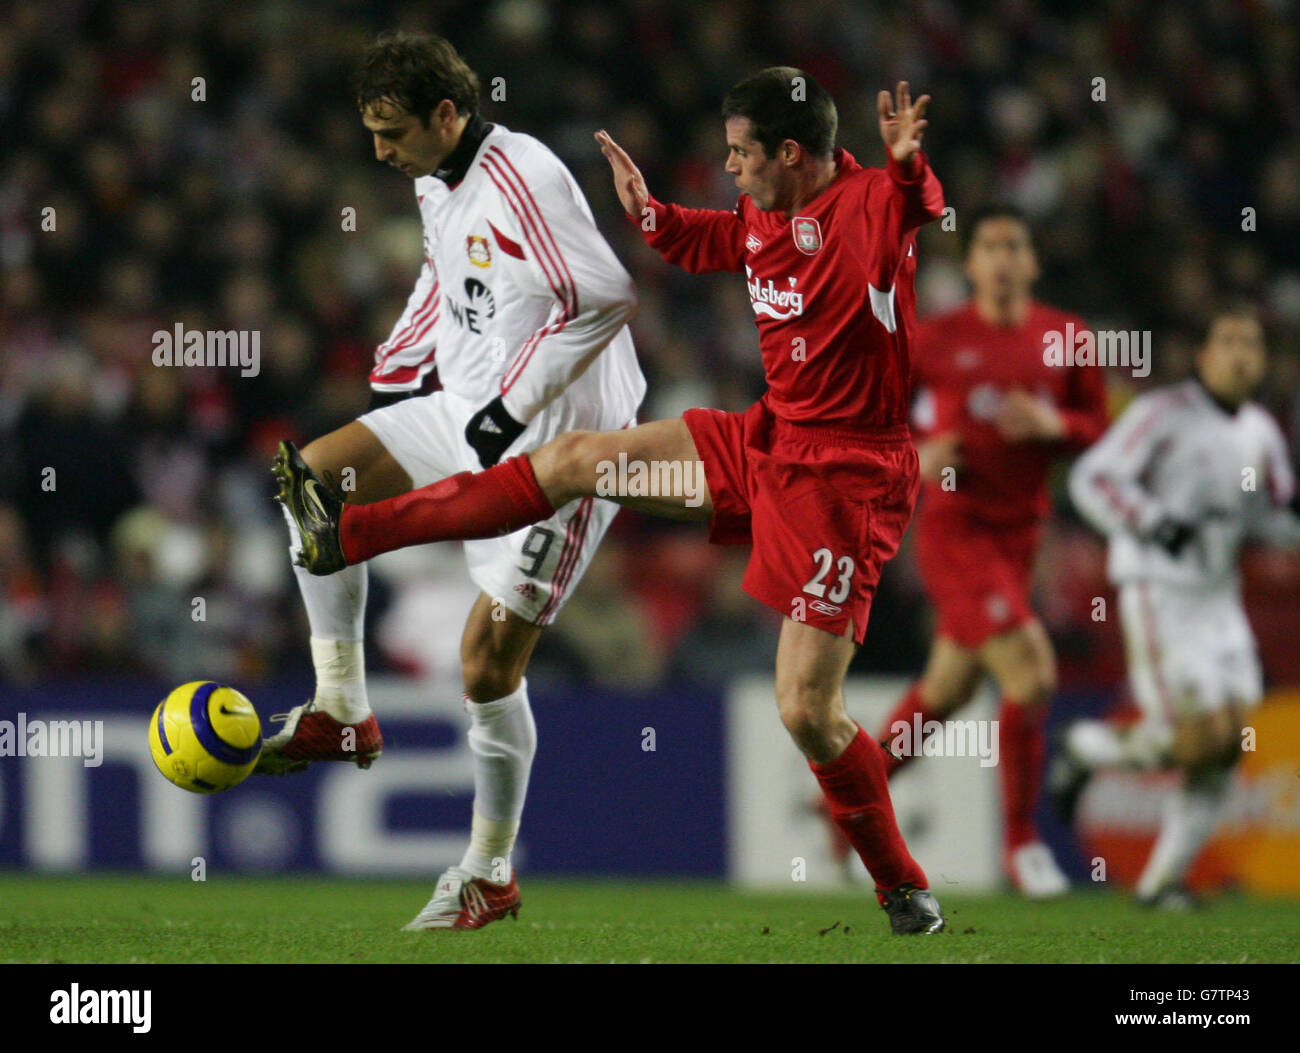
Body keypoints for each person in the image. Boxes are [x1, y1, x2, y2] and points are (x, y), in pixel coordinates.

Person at [279, 67, 949, 934]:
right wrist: (653, 217)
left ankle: (902, 885)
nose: (730, 166)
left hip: (845, 482)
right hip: (761, 443)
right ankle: (353, 533)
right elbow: (716, 242)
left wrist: (905, 167)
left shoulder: (867, 203)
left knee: (807, 711)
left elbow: (915, 203)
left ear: (791, 153)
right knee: (571, 461)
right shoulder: (764, 207)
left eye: (742, 153)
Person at [266, 31, 646, 931]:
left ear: (449, 113)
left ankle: (488, 870)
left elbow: (606, 299)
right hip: (466, 407)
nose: (379, 152)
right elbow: (444, 280)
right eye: (370, 132)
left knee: (484, 665)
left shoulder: (528, 177)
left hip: (562, 443)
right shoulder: (436, 179)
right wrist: (398, 368)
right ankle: (342, 705)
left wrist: (510, 411)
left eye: (392, 131)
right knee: (312, 479)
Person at [869, 205, 1108, 897]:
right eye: (990, 246)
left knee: (948, 687)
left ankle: (854, 798)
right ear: (970, 264)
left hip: (1022, 534)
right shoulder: (933, 338)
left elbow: (1097, 427)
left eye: (1015, 244)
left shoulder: (1068, 337)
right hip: (954, 529)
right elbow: (875, 425)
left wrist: (1053, 422)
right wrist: (917, 455)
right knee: (1030, 671)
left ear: (1031, 261)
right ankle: (1021, 844)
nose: (1003, 258)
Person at [1058, 305, 1300, 907]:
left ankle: (1164, 882)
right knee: (1198, 739)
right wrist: (1154, 522)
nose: (1242, 354)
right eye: (1229, 340)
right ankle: (1087, 749)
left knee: (1226, 744)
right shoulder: (1162, 415)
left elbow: (1273, 513)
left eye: (1252, 343)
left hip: (1222, 602)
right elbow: (1092, 478)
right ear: (1204, 355)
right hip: (1159, 592)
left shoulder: (1261, 431)